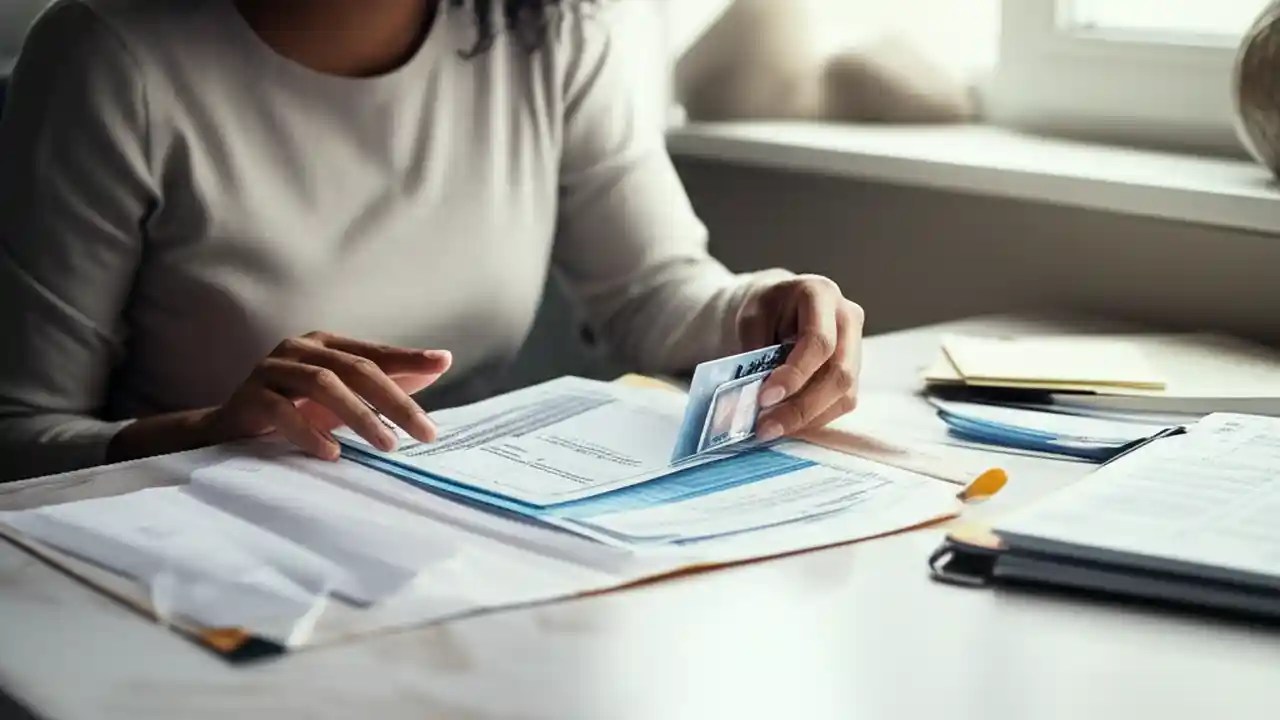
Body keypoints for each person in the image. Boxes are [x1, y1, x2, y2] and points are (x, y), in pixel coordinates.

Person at [0, 0, 864, 482]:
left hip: (458, 531)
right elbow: (18, 433)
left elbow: (654, 292)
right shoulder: (109, 56)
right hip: (189, 547)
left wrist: (768, 309)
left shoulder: (548, 33)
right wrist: (216, 429)